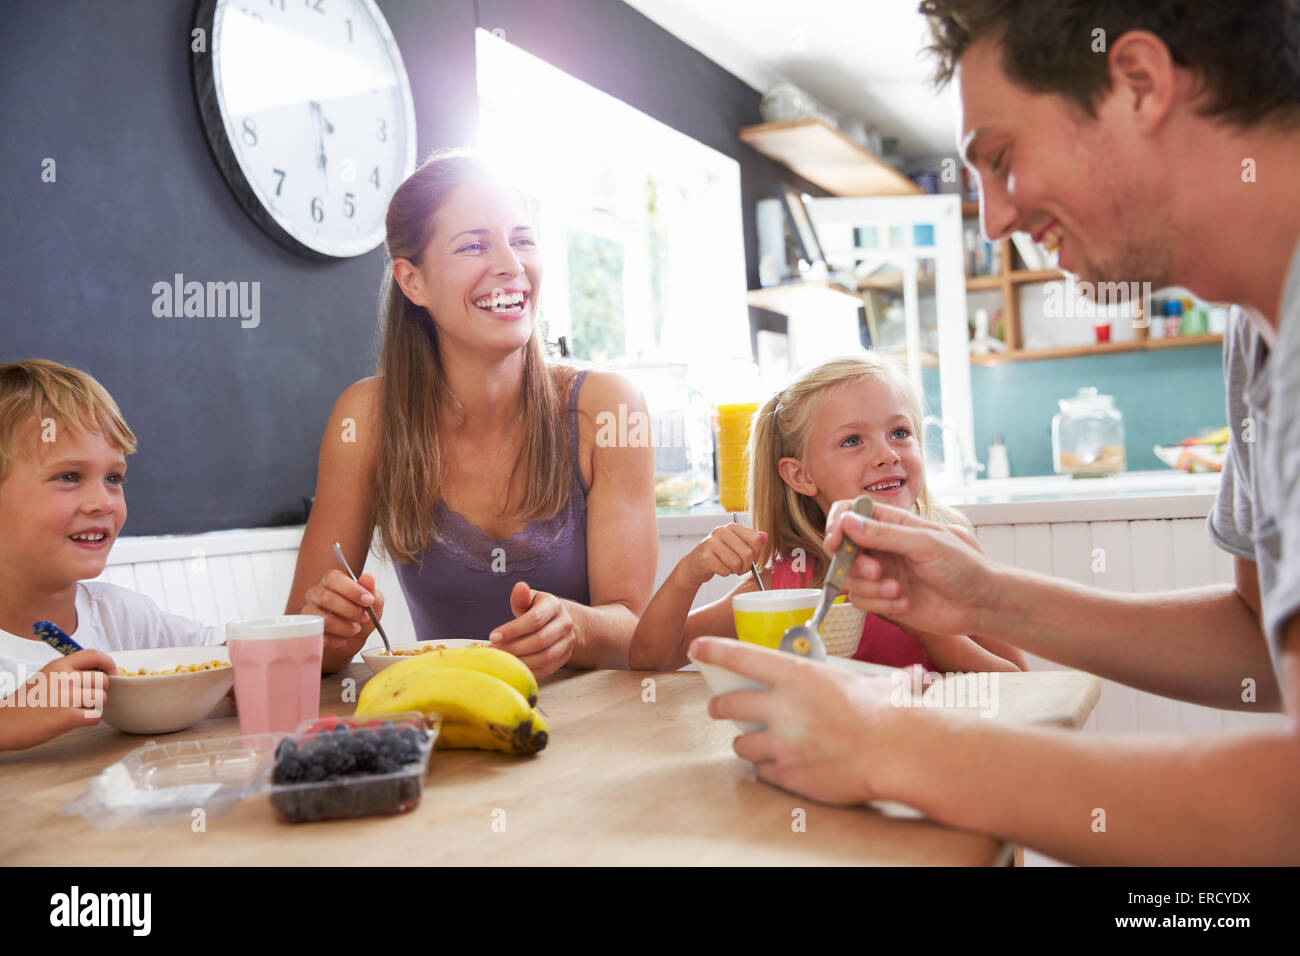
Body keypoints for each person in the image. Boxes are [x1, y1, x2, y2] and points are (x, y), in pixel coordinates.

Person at [693, 0, 1300, 864]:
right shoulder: (1259, 329)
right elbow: (1258, 638)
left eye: (1001, 159)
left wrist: (889, 746)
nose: (996, 218)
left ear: (1138, 84)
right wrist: (981, 596)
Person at [287, 149, 657, 677]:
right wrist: (333, 634)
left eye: (523, 239)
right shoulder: (365, 420)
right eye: (474, 245)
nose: (511, 265)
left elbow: (638, 632)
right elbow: (298, 642)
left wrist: (573, 627)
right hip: (447, 729)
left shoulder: (610, 409)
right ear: (413, 282)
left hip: (592, 737)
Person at [630, 354, 1024, 672]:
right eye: (853, 440)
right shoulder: (784, 585)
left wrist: (928, 631)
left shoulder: (952, 554)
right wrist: (687, 575)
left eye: (900, 433)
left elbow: (1022, 686)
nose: (887, 455)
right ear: (799, 475)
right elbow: (652, 659)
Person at [0, 360, 224, 751]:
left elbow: (223, 659)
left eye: (113, 478)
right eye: (69, 476)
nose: (102, 502)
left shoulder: (123, 618)